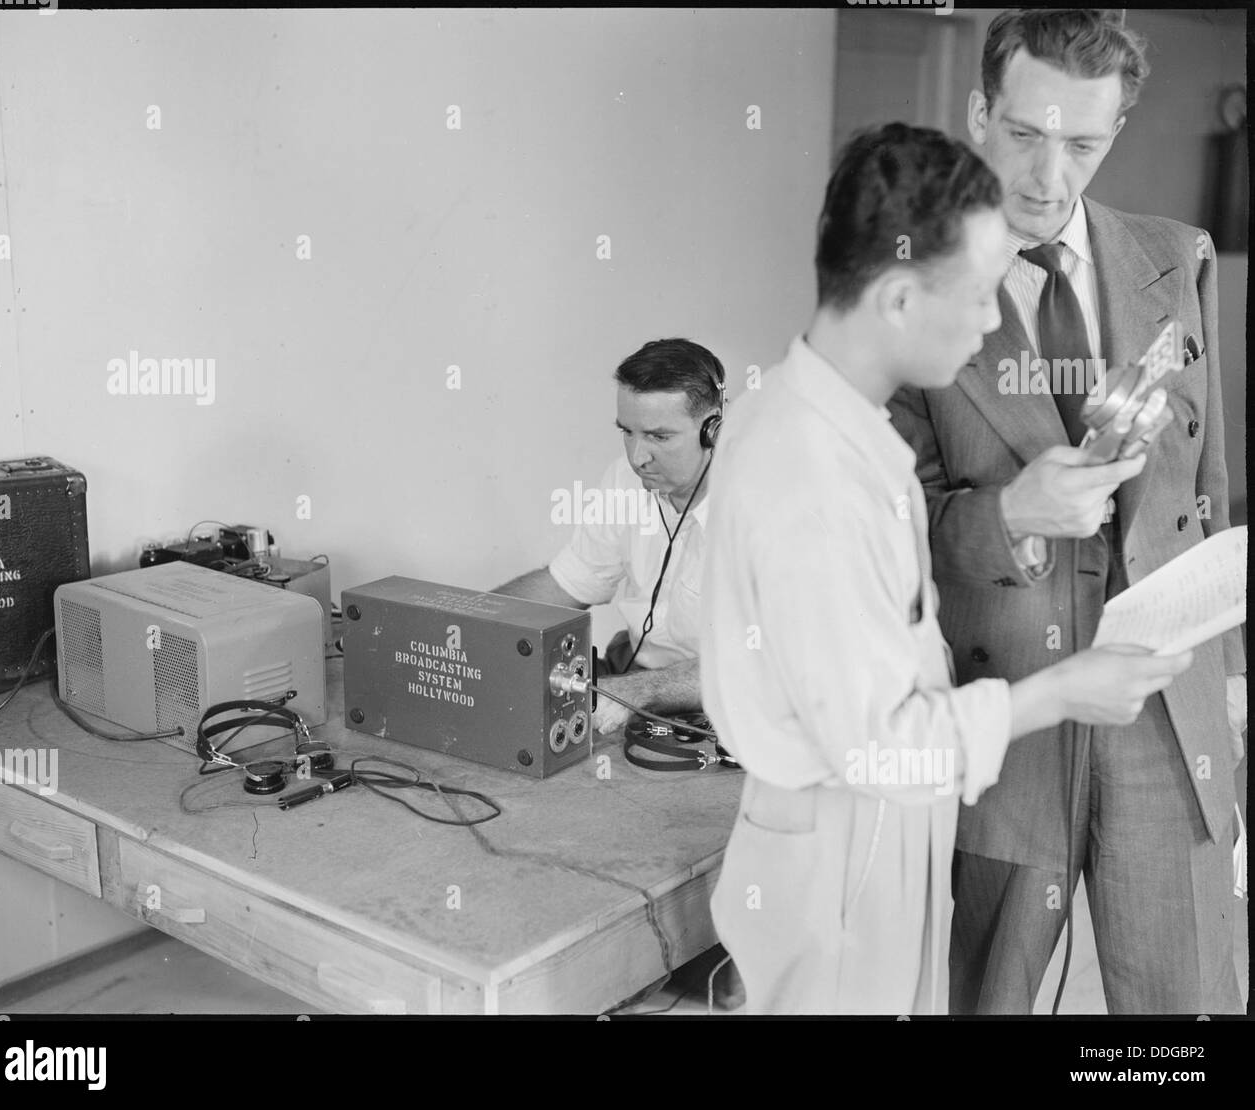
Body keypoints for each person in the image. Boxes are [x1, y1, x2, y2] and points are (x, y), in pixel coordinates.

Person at [701, 121, 1194, 1015]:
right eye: (977, 294)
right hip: (840, 868)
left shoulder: (851, 430)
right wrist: (1062, 692)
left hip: (875, 844)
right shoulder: (810, 473)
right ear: (896, 297)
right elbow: (874, 744)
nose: (990, 320)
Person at [887, 9, 1245, 1014]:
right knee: (988, 999)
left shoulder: (1180, 259)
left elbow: (1206, 498)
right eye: (1023, 136)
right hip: (1010, 711)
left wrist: (1230, 691)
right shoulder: (906, 294)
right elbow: (886, 533)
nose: (1048, 177)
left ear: (1116, 132)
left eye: (1081, 144)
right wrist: (1011, 513)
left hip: (1163, 710)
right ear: (975, 114)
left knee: (1185, 1015)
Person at [495, 337, 724, 735]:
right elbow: (566, 584)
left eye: (659, 436)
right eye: (628, 432)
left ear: (712, 429)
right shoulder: (625, 477)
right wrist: (470, 620)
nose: (638, 458)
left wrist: (634, 694)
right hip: (633, 673)